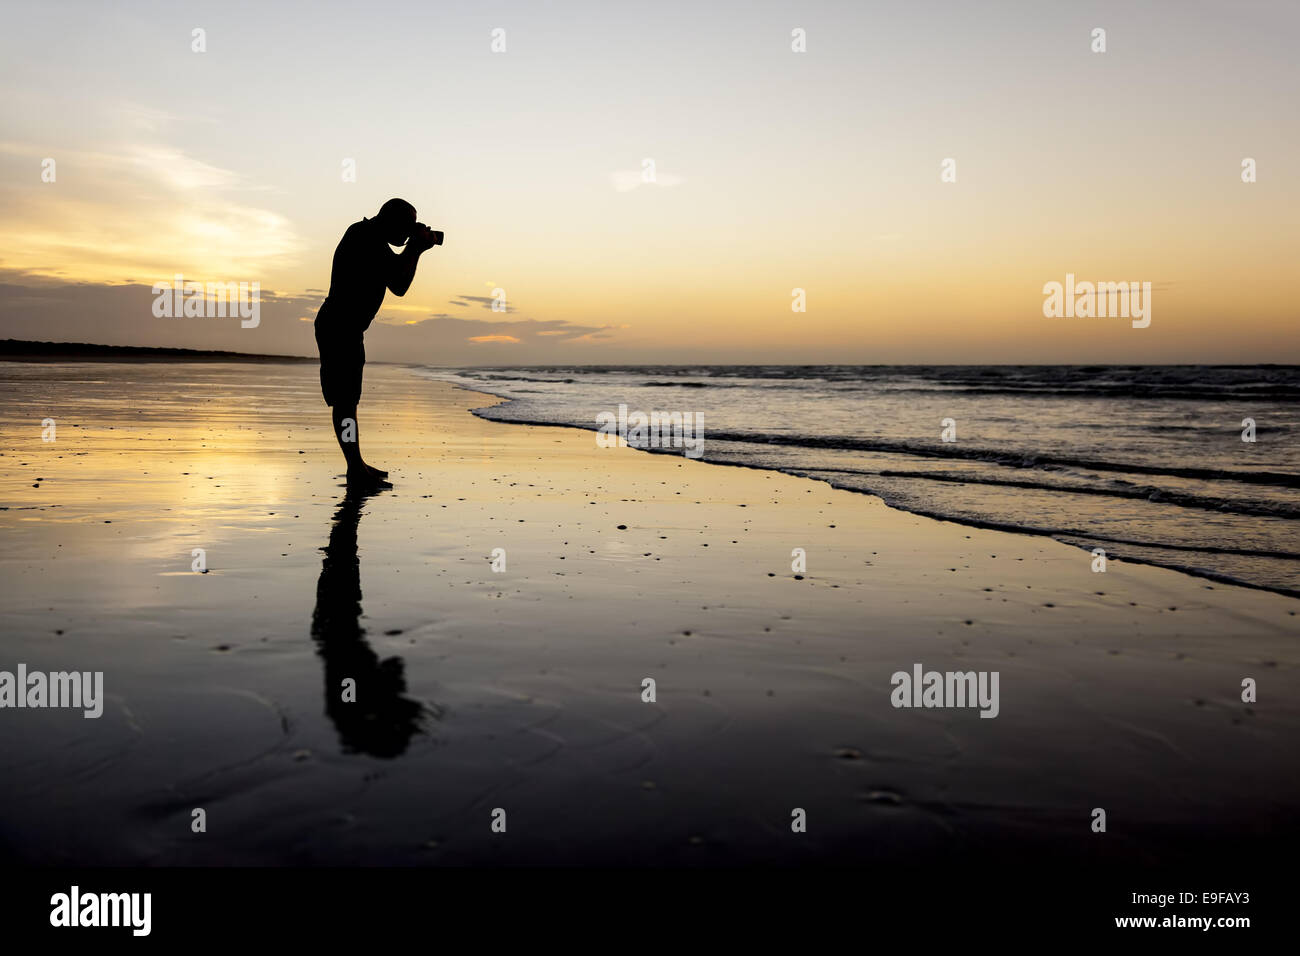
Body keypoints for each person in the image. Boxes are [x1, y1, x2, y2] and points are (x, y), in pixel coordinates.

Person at [314, 198, 438, 487]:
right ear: (391, 221)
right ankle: (355, 469)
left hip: (345, 328)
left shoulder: (368, 236)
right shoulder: (365, 237)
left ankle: (356, 464)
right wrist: (416, 248)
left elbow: (396, 275)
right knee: (345, 402)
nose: (407, 235)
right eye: (406, 227)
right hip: (340, 327)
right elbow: (400, 284)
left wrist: (414, 247)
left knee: (348, 401)